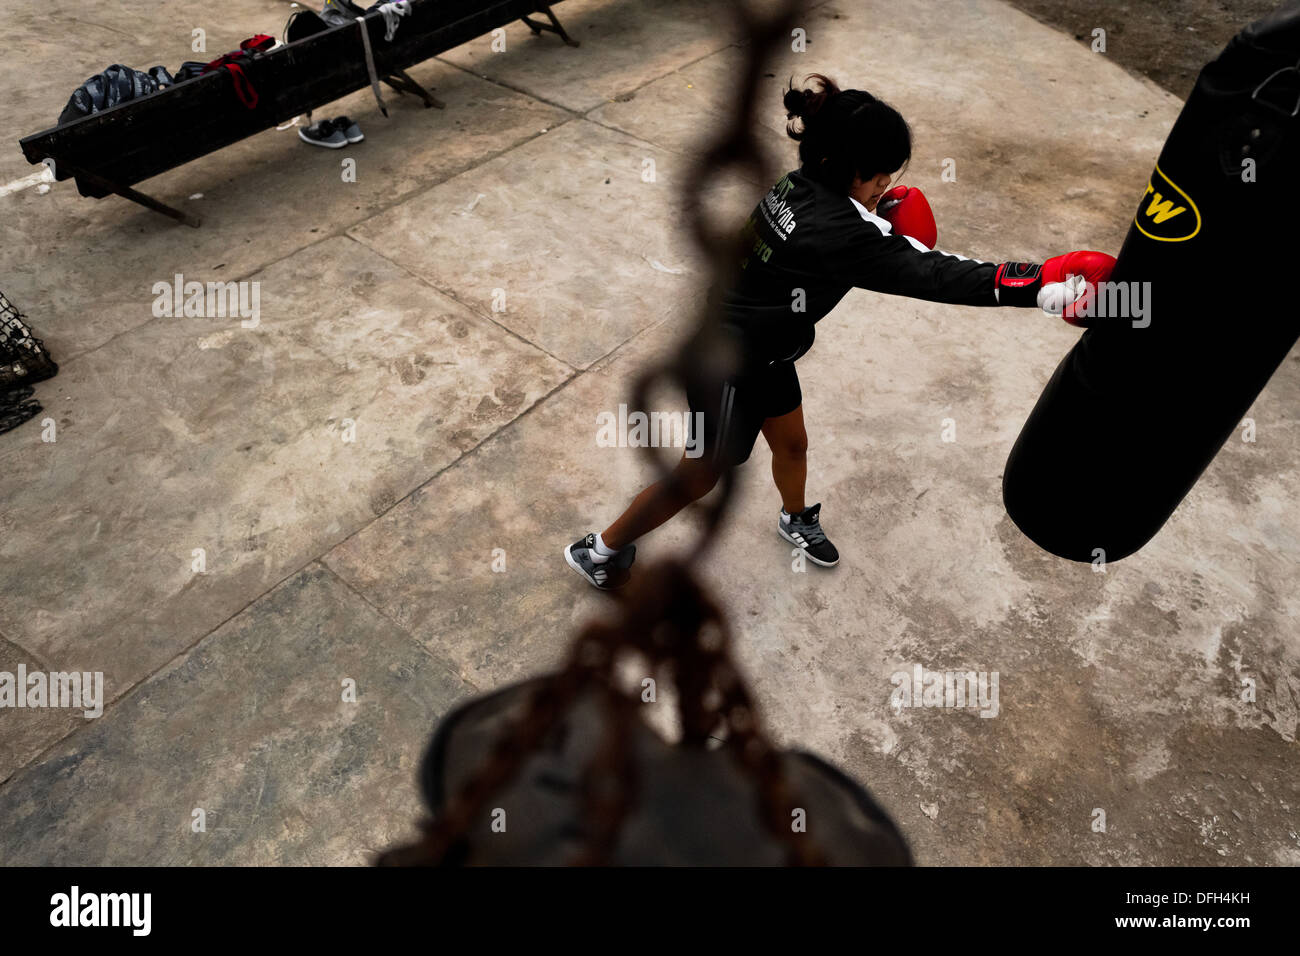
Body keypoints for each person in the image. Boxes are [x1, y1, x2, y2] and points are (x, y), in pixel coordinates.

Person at [565, 73, 1115, 590]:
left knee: (794, 443)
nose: (886, 186)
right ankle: (600, 551)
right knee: (700, 477)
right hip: (729, 366)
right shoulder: (836, 232)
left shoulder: (800, 184)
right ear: (846, 166)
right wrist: (1037, 283)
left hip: (766, 352)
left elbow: (881, 249)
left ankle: (795, 517)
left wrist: (876, 221)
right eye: (880, 176)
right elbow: (933, 274)